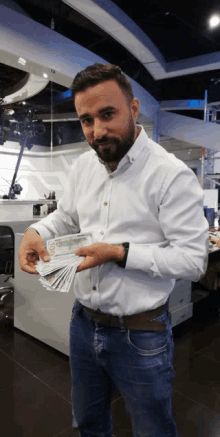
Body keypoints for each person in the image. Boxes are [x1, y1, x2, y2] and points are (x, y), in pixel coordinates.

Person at [19, 63, 209, 437]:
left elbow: (193, 260)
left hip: (141, 333)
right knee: (89, 423)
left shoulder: (170, 175)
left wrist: (120, 252)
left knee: (152, 429)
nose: (97, 130)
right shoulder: (83, 168)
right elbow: (67, 216)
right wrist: (36, 229)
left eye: (108, 114)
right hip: (82, 322)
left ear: (134, 109)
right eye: (86, 120)